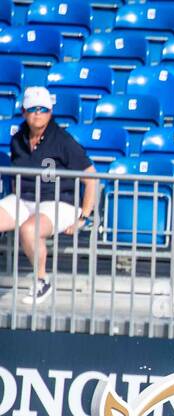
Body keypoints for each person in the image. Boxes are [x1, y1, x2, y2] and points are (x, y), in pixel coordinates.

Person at [0, 89, 97, 305]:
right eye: (32, 109)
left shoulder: (62, 140)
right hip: (25, 198)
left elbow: (91, 176)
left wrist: (83, 216)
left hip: (59, 202)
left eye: (43, 109)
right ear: (23, 112)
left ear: (50, 112)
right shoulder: (17, 139)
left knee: (29, 229)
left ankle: (42, 280)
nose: (38, 114)